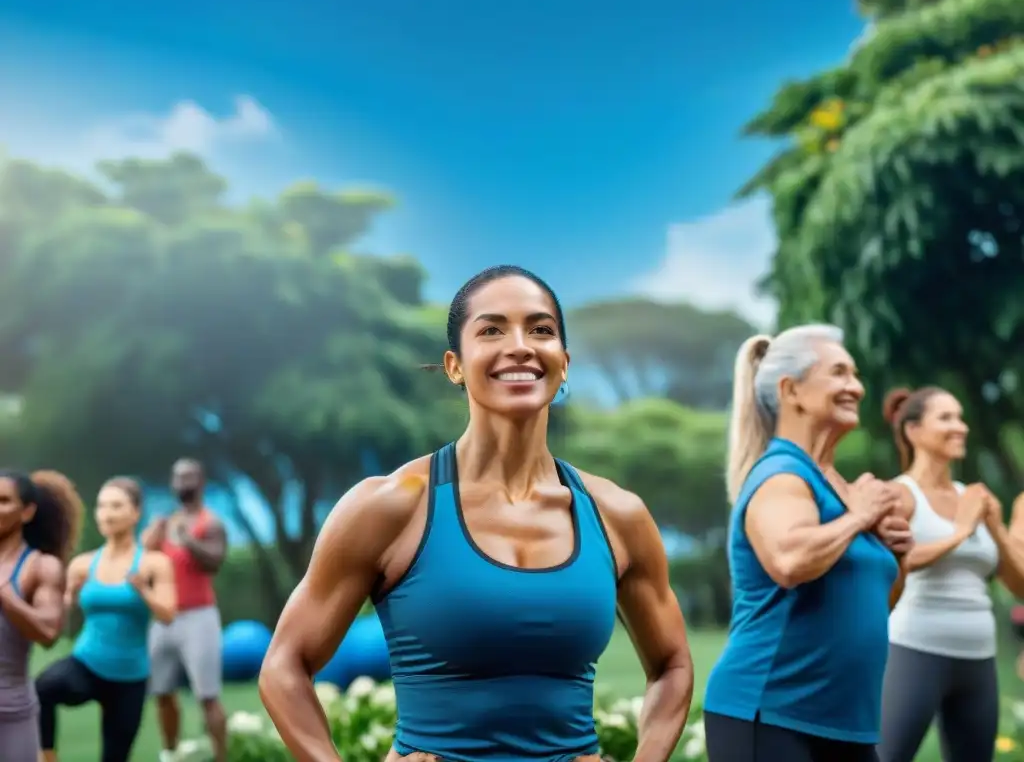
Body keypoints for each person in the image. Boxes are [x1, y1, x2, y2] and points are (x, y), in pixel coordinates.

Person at [259, 265, 694, 762]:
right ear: (455, 365)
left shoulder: (617, 515)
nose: (520, 346)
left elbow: (672, 664)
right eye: (491, 329)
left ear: (564, 362)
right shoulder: (393, 505)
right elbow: (284, 666)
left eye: (541, 330)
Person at [703, 326, 914, 762]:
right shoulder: (782, 476)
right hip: (772, 714)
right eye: (838, 373)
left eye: (855, 374)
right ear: (791, 390)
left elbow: (878, 601)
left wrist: (896, 552)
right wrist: (858, 518)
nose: (855, 386)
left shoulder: (837, 488)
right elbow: (791, 560)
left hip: (845, 723)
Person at [877, 387, 1024, 762]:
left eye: (960, 417)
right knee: (886, 757)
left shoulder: (973, 496)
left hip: (978, 657)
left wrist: (995, 527)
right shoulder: (899, 494)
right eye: (945, 418)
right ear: (913, 430)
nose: (960, 427)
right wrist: (960, 531)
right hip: (916, 649)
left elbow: (1019, 585)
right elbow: (897, 562)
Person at [35, 476, 176, 762]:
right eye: (101, 506)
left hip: (130, 676)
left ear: (135, 513)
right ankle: (47, 758)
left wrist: (144, 591)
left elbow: (168, 614)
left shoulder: (153, 563)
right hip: (87, 664)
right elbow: (57, 624)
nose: (106, 514)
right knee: (42, 689)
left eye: (116, 506)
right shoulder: (82, 565)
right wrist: (69, 599)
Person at [143, 458, 228, 762]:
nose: (183, 483)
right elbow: (146, 566)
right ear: (172, 484)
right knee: (162, 694)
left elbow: (215, 561)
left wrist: (188, 539)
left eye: (189, 477)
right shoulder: (166, 524)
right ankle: (170, 753)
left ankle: (220, 757)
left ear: (201, 481)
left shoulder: (210, 522)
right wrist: (151, 543)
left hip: (199, 618)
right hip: (164, 619)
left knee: (207, 696)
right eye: (178, 478)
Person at [0, 469, 82, 762]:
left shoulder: (40, 567)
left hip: (12, 713)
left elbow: (49, 633)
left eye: (4, 501)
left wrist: (8, 598)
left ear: (27, 512)